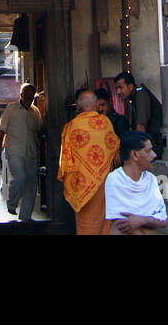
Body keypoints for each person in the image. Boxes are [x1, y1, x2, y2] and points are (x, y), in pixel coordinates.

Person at [58, 86, 121, 235]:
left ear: (78, 106)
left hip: (81, 183)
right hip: (103, 182)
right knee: (103, 220)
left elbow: (66, 158)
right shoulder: (105, 123)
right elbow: (115, 149)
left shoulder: (71, 126)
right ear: (95, 105)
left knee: (85, 222)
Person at [0, 82, 43, 222]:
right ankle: (12, 203)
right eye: (26, 94)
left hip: (31, 152)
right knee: (20, 177)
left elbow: (39, 131)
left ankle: (25, 217)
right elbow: (1, 131)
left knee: (31, 185)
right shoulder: (11, 109)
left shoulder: (35, 112)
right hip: (14, 150)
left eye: (31, 95)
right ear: (21, 95)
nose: (29, 98)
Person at [105, 130, 168, 235]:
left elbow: (163, 220)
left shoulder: (151, 179)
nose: (154, 155)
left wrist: (141, 220)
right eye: (148, 151)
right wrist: (146, 221)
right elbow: (123, 224)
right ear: (134, 154)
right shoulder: (115, 179)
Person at [113, 72, 164, 158]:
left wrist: (135, 151)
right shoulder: (135, 97)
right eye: (116, 88)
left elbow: (141, 126)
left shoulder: (140, 95)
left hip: (155, 145)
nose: (118, 92)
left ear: (130, 86)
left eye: (120, 87)